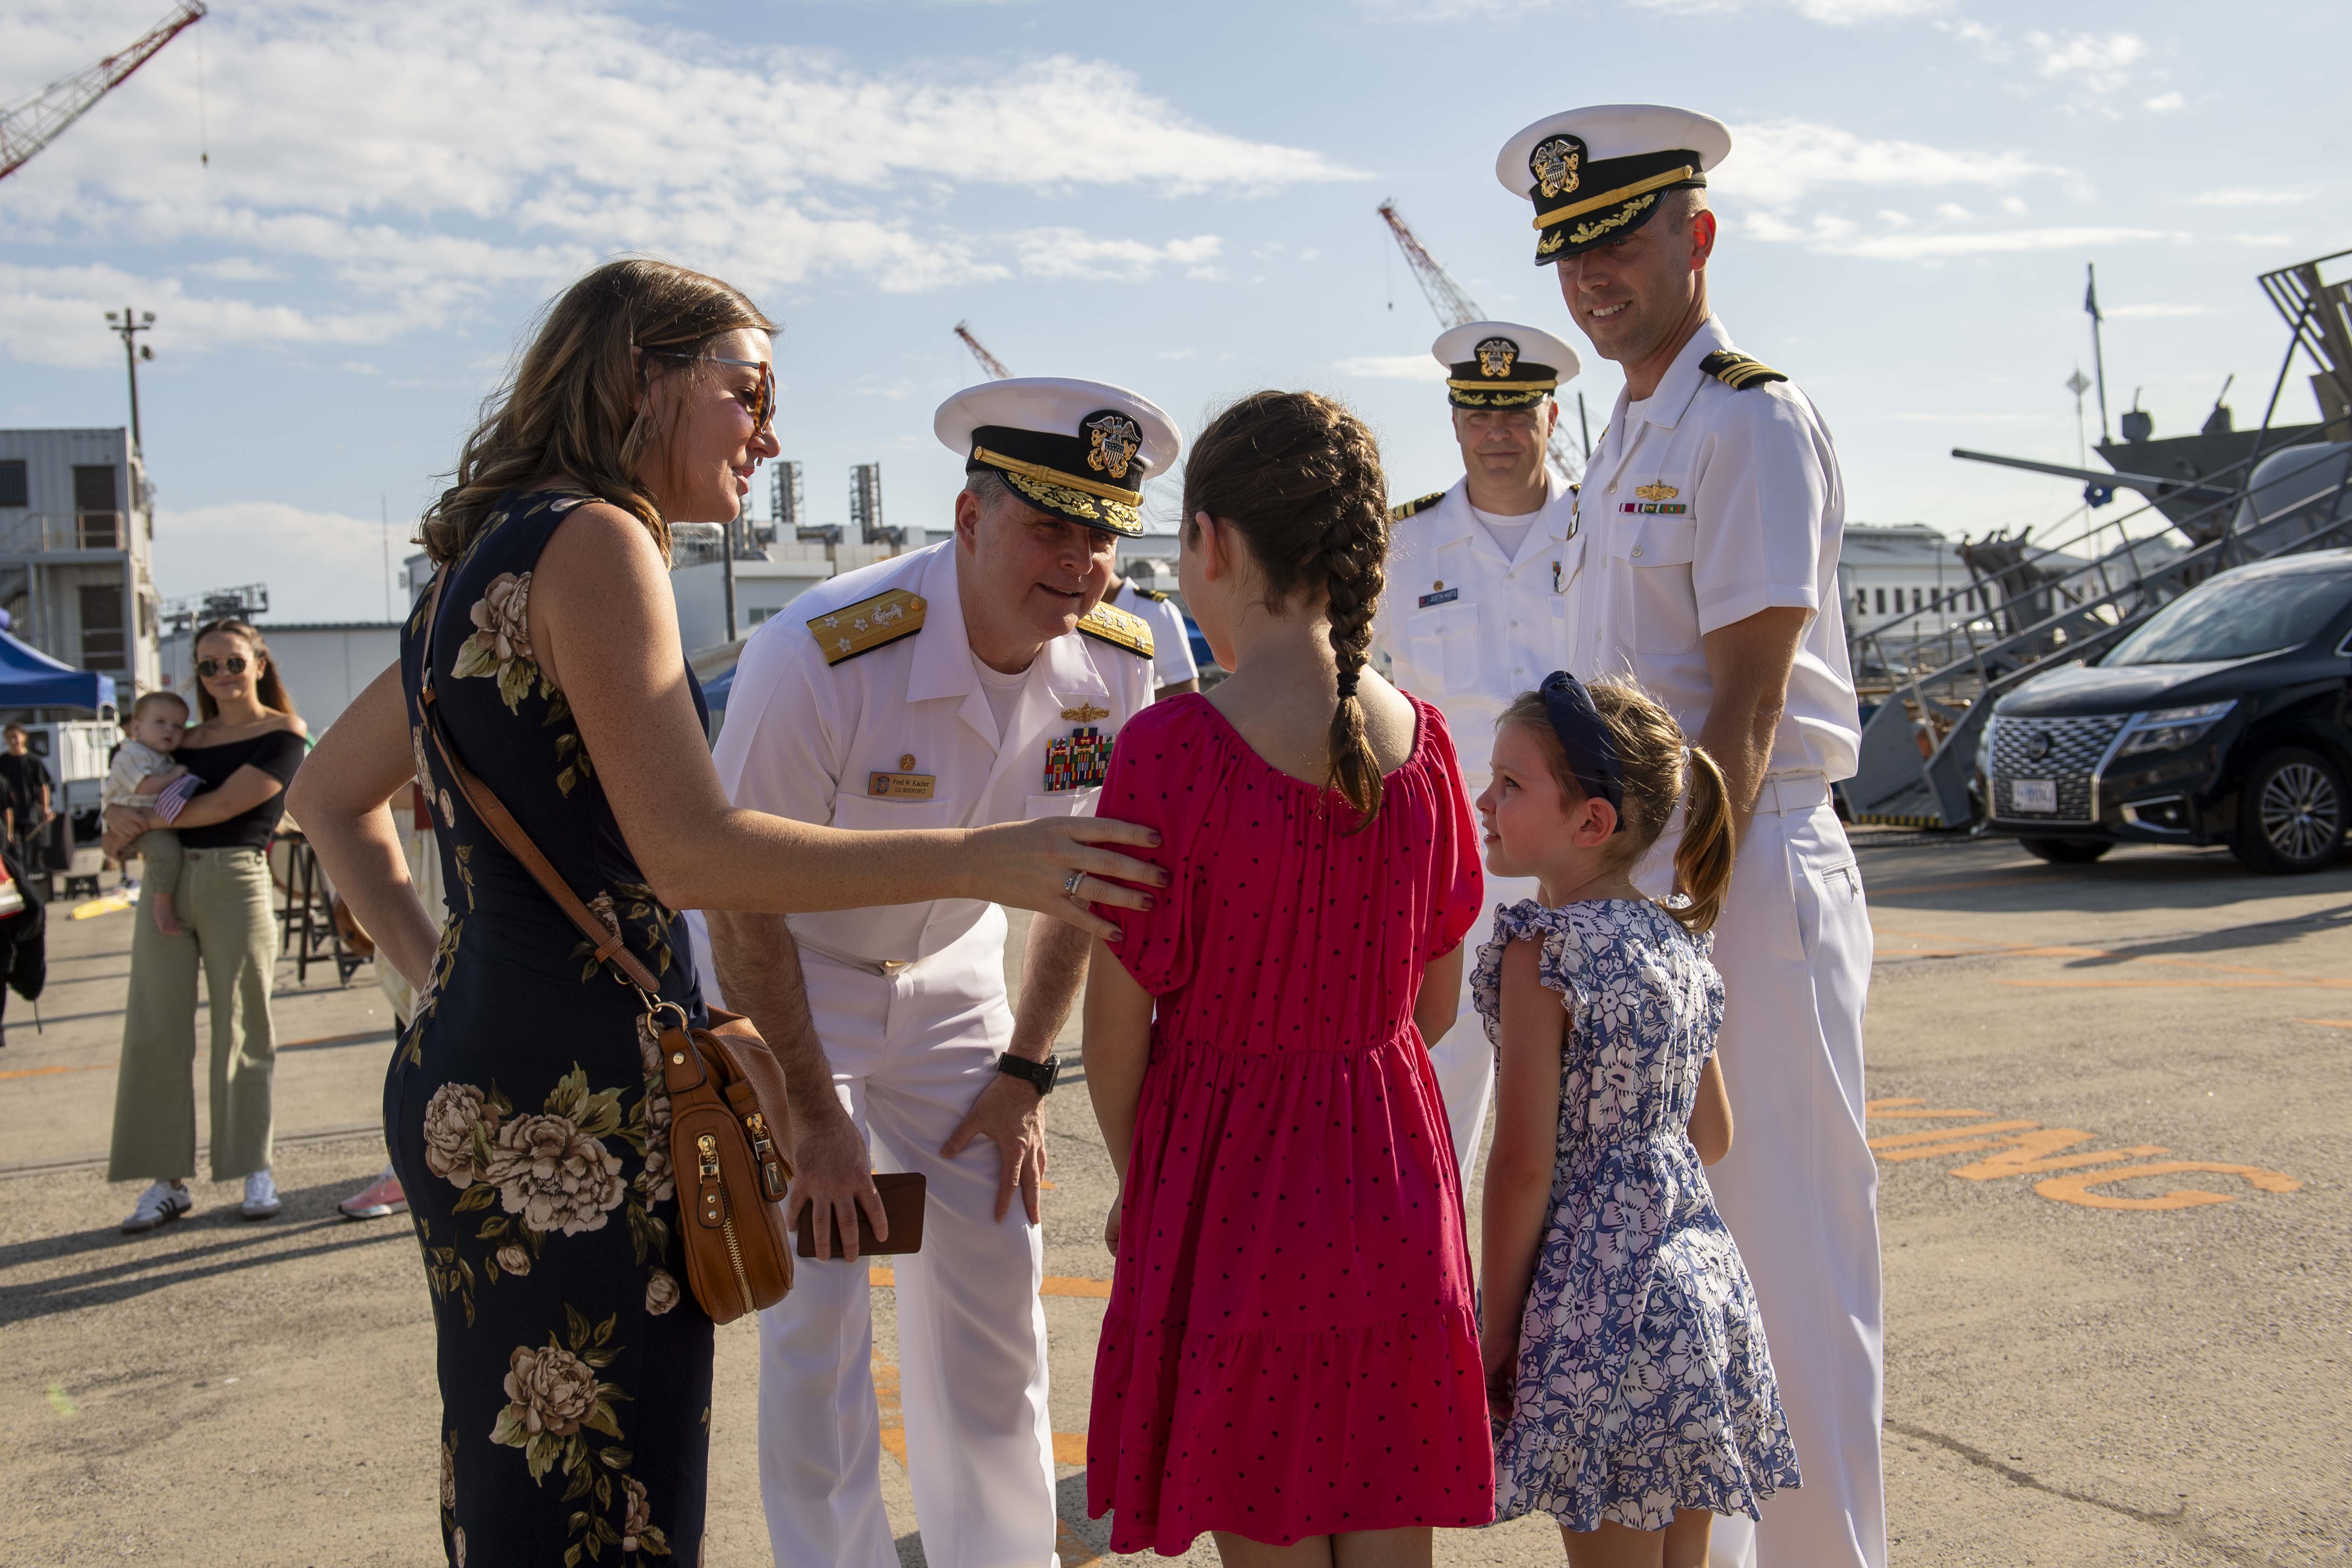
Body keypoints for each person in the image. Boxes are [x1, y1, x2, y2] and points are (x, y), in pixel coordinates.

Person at [288, 261, 1163, 1568]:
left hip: (497, 1073)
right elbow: (699, 860)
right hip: (588, 1089)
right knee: (613, 1477)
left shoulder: (493, 547)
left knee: (534, 1467)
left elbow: (324, 794)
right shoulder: (600, 541)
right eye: (745, 392)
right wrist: (987, 854)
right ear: (644, 380)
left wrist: (445, 989)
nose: (768, 431)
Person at [1499, 104, 1883, 1568]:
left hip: (1743, 880)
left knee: (1788, 1258)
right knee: (1682, 1275)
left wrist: (1675, 927)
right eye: (1565, 254)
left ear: (1695, 236)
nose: (1590, 276)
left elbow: (1744, 705)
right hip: (1643, 897)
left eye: (1615, 239)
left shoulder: (1747, 418)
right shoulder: (1621, 441)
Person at [704, 375, 1175, 1568]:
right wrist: (810, 1111)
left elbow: (1087, 874)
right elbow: (738, 893)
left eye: (1101, 534)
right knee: (815, 1320)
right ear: (968, 520)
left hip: (961, 980)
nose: (1080, 565)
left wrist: (1025, 1067)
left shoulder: (1118, 665)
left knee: (992, 1305)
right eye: (1048, 528)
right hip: (794, 989)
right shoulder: (820, 653)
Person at [1083, 390, 1493, 1564]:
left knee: (1263, 1524)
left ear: (1211, 543)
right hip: (1390, 1177)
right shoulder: (1421, 744)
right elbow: (1434, 999)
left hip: (1234, 1194)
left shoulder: (1170, 752)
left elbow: (1112, 1035)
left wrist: (1142, 1177)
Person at [1473, 671, 1800, 1567]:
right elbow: (1714, 1134)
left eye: (1511, 783)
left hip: (1601, 1309)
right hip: (1699, 1290)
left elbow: (1524, 1166)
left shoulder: (1545, 949)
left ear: (1592, 822)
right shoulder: (1676, 940)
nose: (1483, 799)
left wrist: (1495, 1326)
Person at [1371, 318, 1585, 1176]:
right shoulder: (1403, 545)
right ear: (1456, 420)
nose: (1497, 433)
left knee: (1586, 1100)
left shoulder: (1603, 531)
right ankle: (1438, 1296)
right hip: (1452, 858)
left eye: (1516, 412)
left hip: (1583, 857)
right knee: (1438, 1092)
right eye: (1477, 413)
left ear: (1552, 417)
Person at [106, 620, 308, 1231]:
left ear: (259, 661)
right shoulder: (179, 739)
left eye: (233, 662)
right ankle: (166, 1181)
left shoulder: (283, 733)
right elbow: (122, 793)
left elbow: (225, 805)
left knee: (243, 1025)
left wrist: (139, 819)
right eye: (208, 665)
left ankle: (253, 1166)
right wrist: (120, 816)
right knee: (154, 1027)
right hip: (166, 881)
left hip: (235, 880)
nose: (221, 675)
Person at [100, 691, 202, 935]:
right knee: (166, 854)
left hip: (146, 819)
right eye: (160, 722)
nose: (169, 730)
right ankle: (162, 904)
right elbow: (144, 786)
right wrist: (175, 775)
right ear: (136, 727)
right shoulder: (131, 754)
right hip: (135, 818)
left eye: (178, 726)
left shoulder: (157, 754)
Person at [1107, 572, 1200, 697]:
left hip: (1139, 716)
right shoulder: (1076, 611)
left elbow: (1186, 691)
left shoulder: (1155, 610)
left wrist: (1119, 703)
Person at [0, 723, 53, 869]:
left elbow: (43, 786)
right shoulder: (2, 761)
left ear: (24, 737)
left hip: (31, 810)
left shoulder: (34, 760)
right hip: (8, 810)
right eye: (9, 737)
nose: (13, 741)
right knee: (15, 851)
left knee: (34, 849)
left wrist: (46, 808)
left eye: (16, 737)